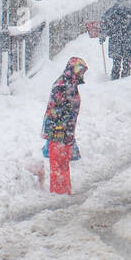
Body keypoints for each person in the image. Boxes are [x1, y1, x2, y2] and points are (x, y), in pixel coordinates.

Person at [42, 56, 87, 195]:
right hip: (58, 133)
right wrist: (61, 127)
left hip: (66, 132)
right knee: (58, 165)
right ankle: (58, 193)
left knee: (63, 164)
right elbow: (55, 110)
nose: (81, 74)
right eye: (79, 71)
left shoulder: (71, 85)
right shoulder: (62, 85)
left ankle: (64, 191)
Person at [100, 0, 131, 80]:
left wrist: (103, 35)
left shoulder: (111, 13)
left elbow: (106, 26)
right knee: (126, 63)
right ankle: (125, 79)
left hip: (115, 40)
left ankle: (115, 78)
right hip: (127, 40)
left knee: (116, 62)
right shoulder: (129, 11)